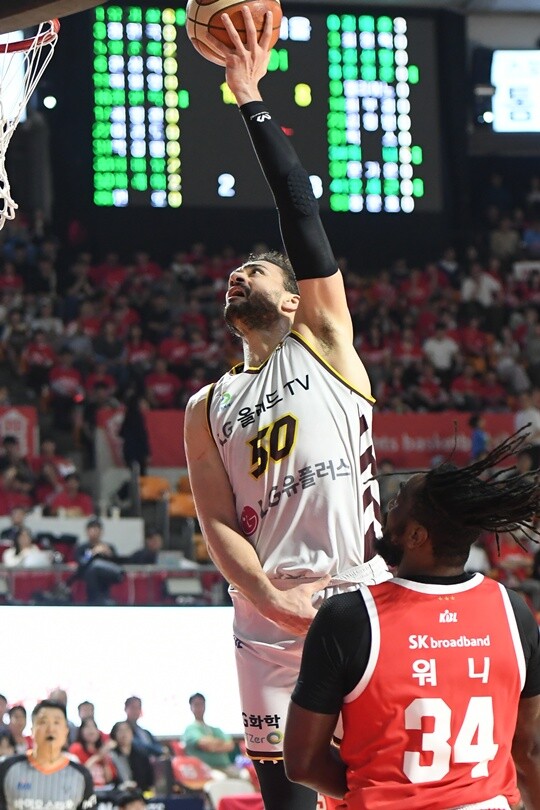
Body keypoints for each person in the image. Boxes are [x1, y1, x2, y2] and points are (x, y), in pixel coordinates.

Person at [184, 11, 389, 809]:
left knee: (378, 791)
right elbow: (216, 523)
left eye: (256, 272)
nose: (238, 277)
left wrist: (249, 96)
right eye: (232, 274)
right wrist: (271, 599)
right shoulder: (209, 402)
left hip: (357, 596)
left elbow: (299, 216)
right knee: (292, 802)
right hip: (267, 624)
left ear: (298, 298)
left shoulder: (326, 345)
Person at [284, 431, 540, 809]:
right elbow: (530, 750)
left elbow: (303, 763)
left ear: (416, 536)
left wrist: (377, 787)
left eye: (398, 503)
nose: (387, 509)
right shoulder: (513, 609)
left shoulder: (348, 617)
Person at [0, 699, 96, 810]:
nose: (51, 729)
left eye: (57, 722)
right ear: (32, 730)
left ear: (66, 731)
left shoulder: (81, 775)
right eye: (43, 722)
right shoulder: (6, 768)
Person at [183, 693, 241, 778]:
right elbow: (203, 744)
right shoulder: (190, 729)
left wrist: (212, 746)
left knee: (245, 776)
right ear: (191, 707)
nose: (199, 707)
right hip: (205, 770)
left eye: (202, 704)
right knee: (221, 780)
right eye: (196, 704)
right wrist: (219, 743)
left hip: (226, 767)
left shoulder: (215, 729)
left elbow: (230, 745)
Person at [74, 518, 124, 605]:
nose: (94, 532)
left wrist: (109, 554)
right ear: (87, 531)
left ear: (101, 532)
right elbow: (81, 563)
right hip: (88, 581)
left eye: (97, 529)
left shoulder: (109, 547)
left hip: (106, 581)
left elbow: (117, 566)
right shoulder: (81, 548)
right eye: (92, 529)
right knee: (94, 568)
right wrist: (93, 552)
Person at [69, 718, 117, 791]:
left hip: (103, 792)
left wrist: (104, 761)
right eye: (87, 727)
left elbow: (108, 779)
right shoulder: (76, 748)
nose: (91, 730)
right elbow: (80, 774)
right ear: (81, 731)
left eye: (94, 727)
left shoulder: (102, 751)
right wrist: (97, 757)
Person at [108, 721, 154, 793]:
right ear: (114, 735)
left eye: (127, 730)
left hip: (140, 794)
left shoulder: (141, 755)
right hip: (117, 795)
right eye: (120, 731)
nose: (124, 734)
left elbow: (149, 780)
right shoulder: (110, 756)